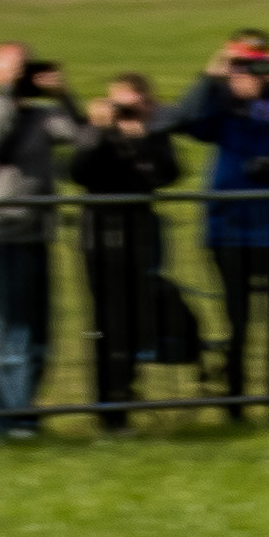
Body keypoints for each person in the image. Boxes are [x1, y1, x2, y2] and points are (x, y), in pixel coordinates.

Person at [172, 30, 269, 411]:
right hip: (230, 230)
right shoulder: (219, 106)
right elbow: (182, 119)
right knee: (237, 323)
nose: (252, 72)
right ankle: (235, 401)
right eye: (243, 63)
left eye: (260, 62)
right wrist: (212, 77)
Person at [0, 40, 80, 443]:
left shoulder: (42, 116)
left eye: (24, 69)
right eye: (12, 68)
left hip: (36, 233)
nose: (21, 76)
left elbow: (81, 137)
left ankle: (22, 413)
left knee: (33, 332)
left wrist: (63, 95)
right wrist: (7, 93)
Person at [71, 72, 185, 425]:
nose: (124, 112)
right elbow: (78, 172)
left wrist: (141, 139)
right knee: (105, 321)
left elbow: (168, 174)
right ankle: (107, 401)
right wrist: (99, 131)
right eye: (118, 104)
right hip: (100, 231)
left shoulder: (152, 135)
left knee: (137, 315)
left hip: (140, 229)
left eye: (132, 105)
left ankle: (127, 388)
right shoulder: (97, 136)